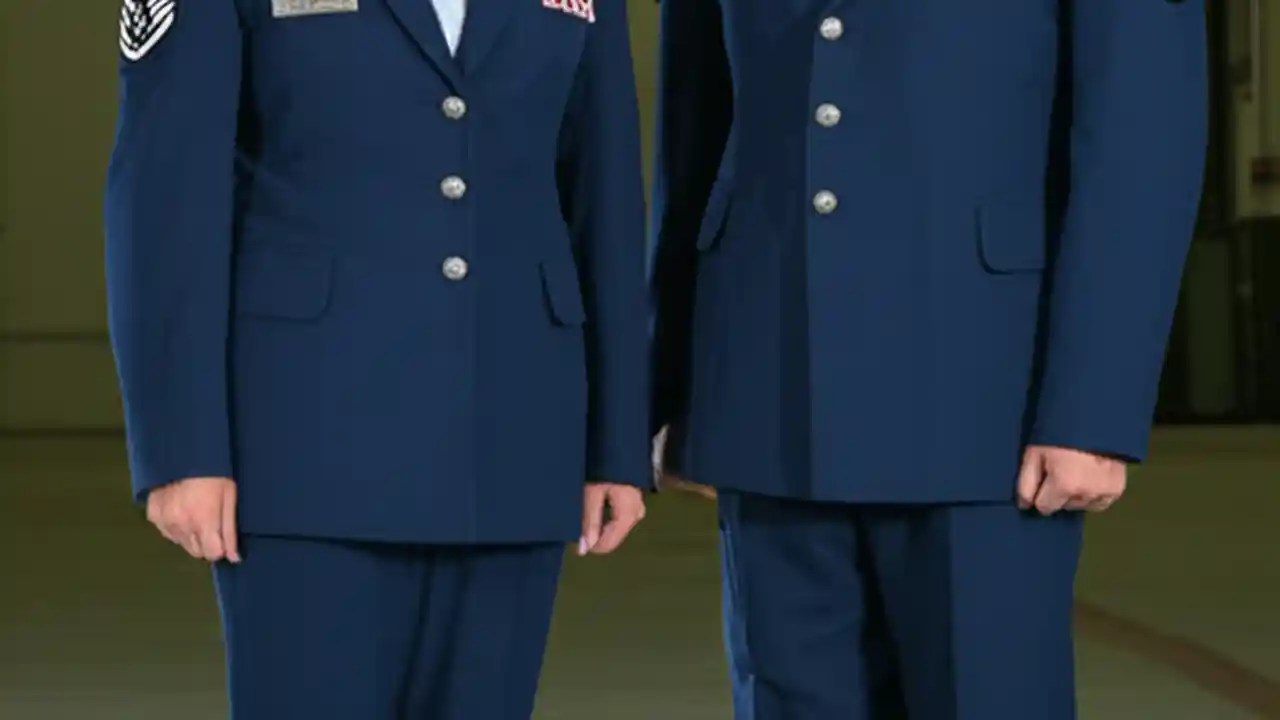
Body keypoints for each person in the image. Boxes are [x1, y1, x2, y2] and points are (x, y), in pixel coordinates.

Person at [651, 0, 1207, 717]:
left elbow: (1142, 137)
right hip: (770, 380)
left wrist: (1094, 407)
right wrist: (667, 380)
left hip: (982, 393)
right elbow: (692, 124)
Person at [105, 0, 649, 717]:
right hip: (307, 441)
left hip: (515, 433)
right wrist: (181, 446)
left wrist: (616, 443)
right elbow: (165, 195)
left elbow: (605, 194)